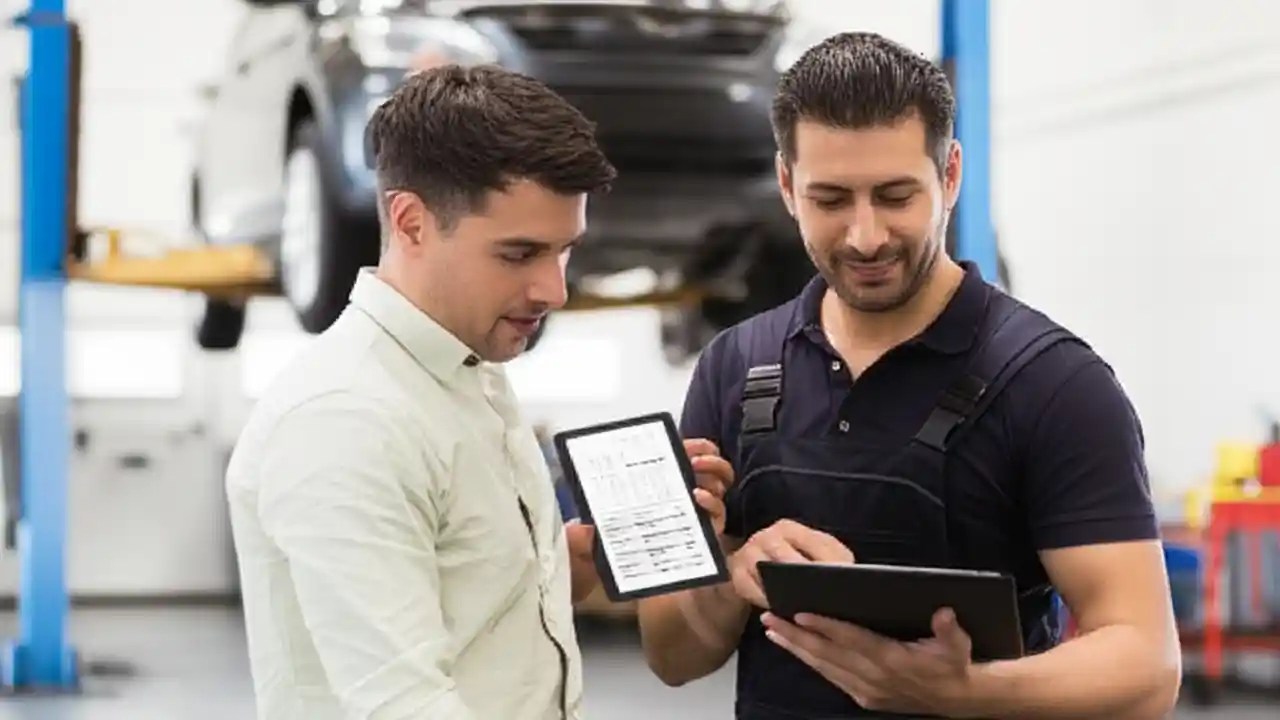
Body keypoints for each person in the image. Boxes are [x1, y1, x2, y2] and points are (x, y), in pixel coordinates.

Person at [638, 32, 1182, 719]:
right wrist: (730, 580)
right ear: (786, 185)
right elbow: (671, 659)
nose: (865, 236)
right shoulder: (736, 366)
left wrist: (966, 693)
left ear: (950, 174)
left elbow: (1147, 668)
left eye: (896, 196)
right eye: (831, 200)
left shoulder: (1056, 386)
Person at [224, 64, 735, 720]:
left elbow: (472, 595)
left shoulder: (468, 369)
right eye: (518, 254)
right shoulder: (345, 420)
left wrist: (577, 556)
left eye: (564, 251)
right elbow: (401, 704)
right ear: (410, 222)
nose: (554, 290)